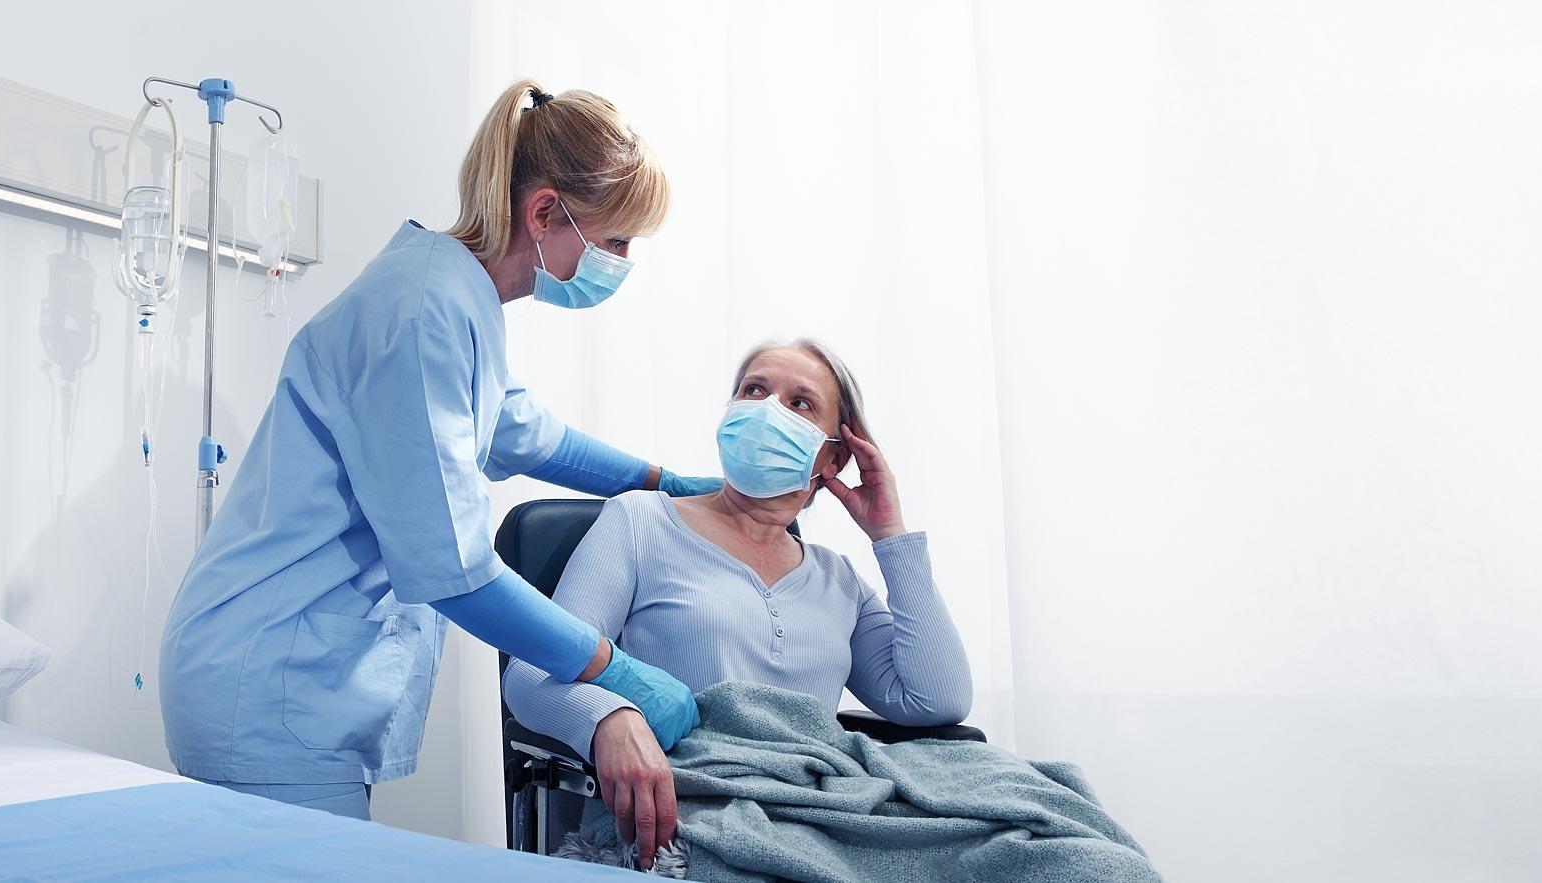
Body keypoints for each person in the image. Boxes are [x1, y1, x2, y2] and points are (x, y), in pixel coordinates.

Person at [160, 80, 718, 822]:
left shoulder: (460, 301)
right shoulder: (423, 313)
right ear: (545, 212)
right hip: (265, 677)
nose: (621, 262)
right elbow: (458, 574)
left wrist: (661, 481)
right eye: (615, 241)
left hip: (292, 667)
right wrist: (613, 670)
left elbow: (527, 432)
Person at [503, 339, 973, 869]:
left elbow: (939, 699)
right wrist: (609, 717)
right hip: (686, 818)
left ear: (836, 455)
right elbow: (529, 675)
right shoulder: (638, 522)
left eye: (800, 403)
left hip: (817, 820)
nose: (768, 411)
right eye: (754, 390)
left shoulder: (837, 579)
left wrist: (888, 534)